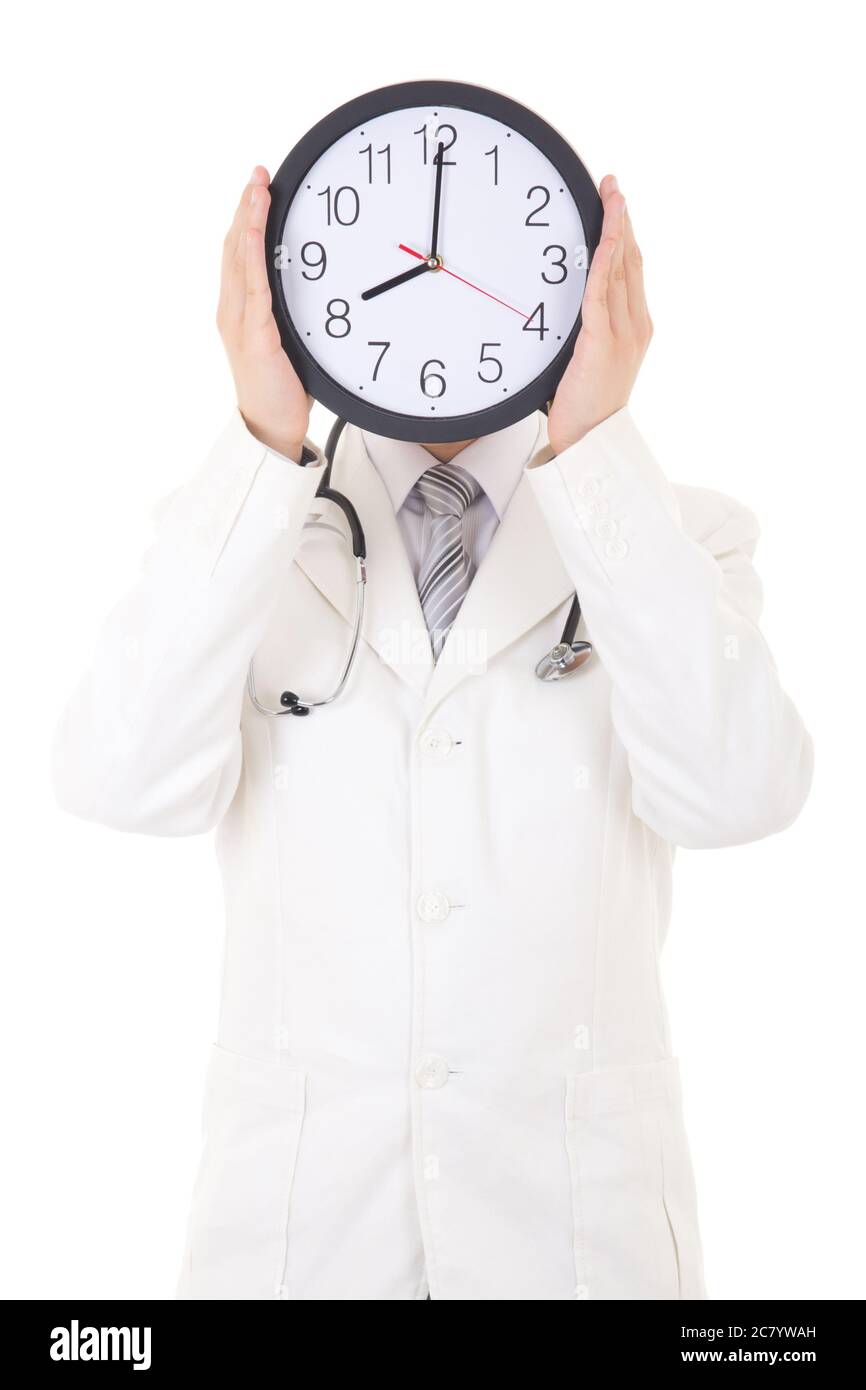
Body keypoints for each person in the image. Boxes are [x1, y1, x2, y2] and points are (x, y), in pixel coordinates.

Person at [51, 165, 813, 1301]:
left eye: (485, 267)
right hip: (301, 1240)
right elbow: (120, 776)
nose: (442, 293)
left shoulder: (674, 536)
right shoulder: (241, 530)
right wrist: (263, 433)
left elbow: (738, 793)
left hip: (573, 1242)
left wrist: (594, 442)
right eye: (404, 265)